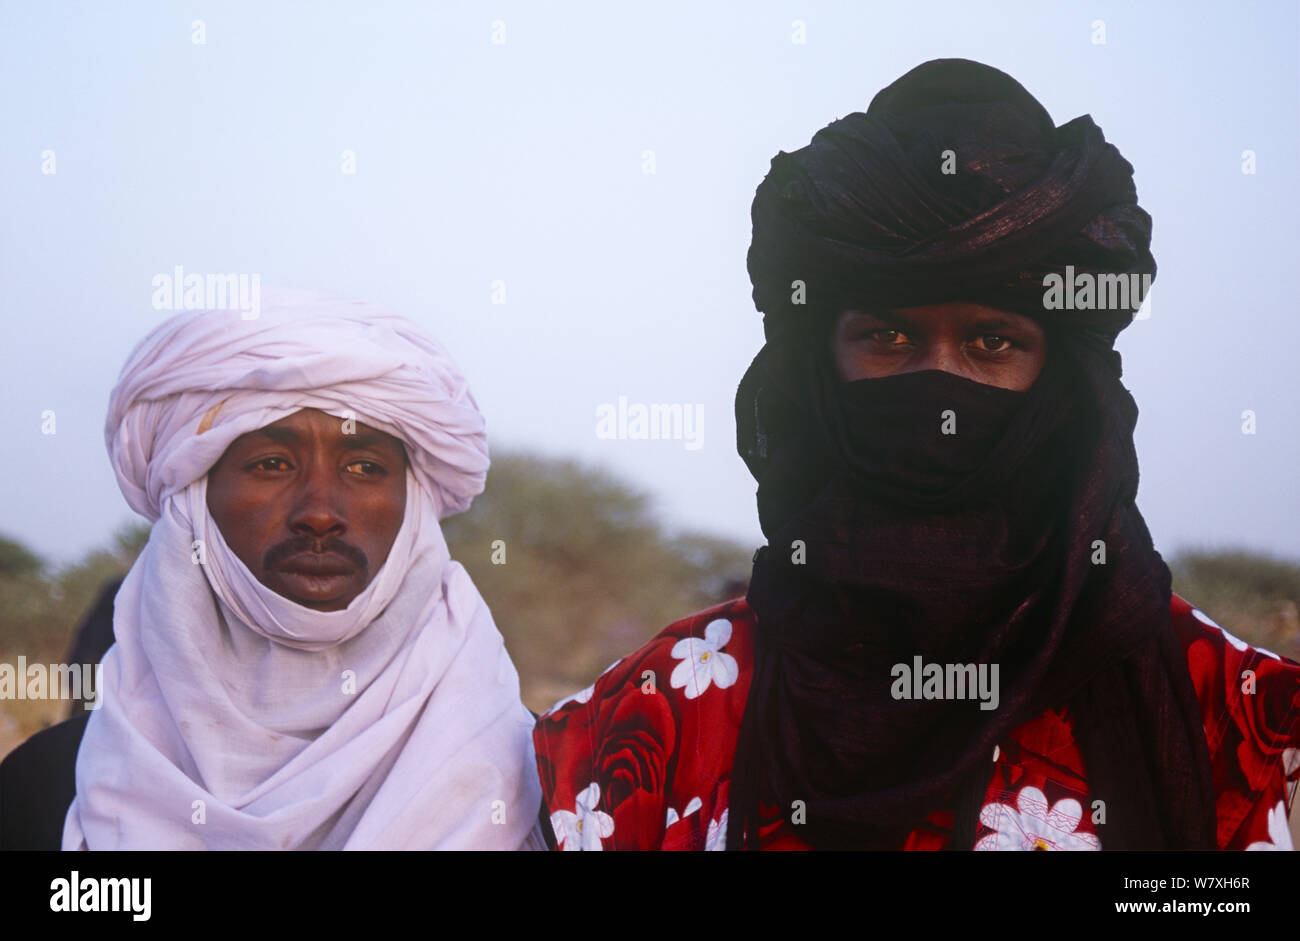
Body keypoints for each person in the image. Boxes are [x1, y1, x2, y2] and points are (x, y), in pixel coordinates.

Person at [532, 58, 1300, 851]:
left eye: (992, 340)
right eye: (888, 337)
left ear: (1062, 382)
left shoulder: (1236, 715)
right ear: (818, 370)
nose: (940, 390)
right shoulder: (648, 721)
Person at [0, 290, 547, 850]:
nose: (319, 512)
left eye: (364, 466)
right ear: (194, 499)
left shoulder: (546, 779)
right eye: (271, 464)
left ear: (414, 503)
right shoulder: (47, 790)